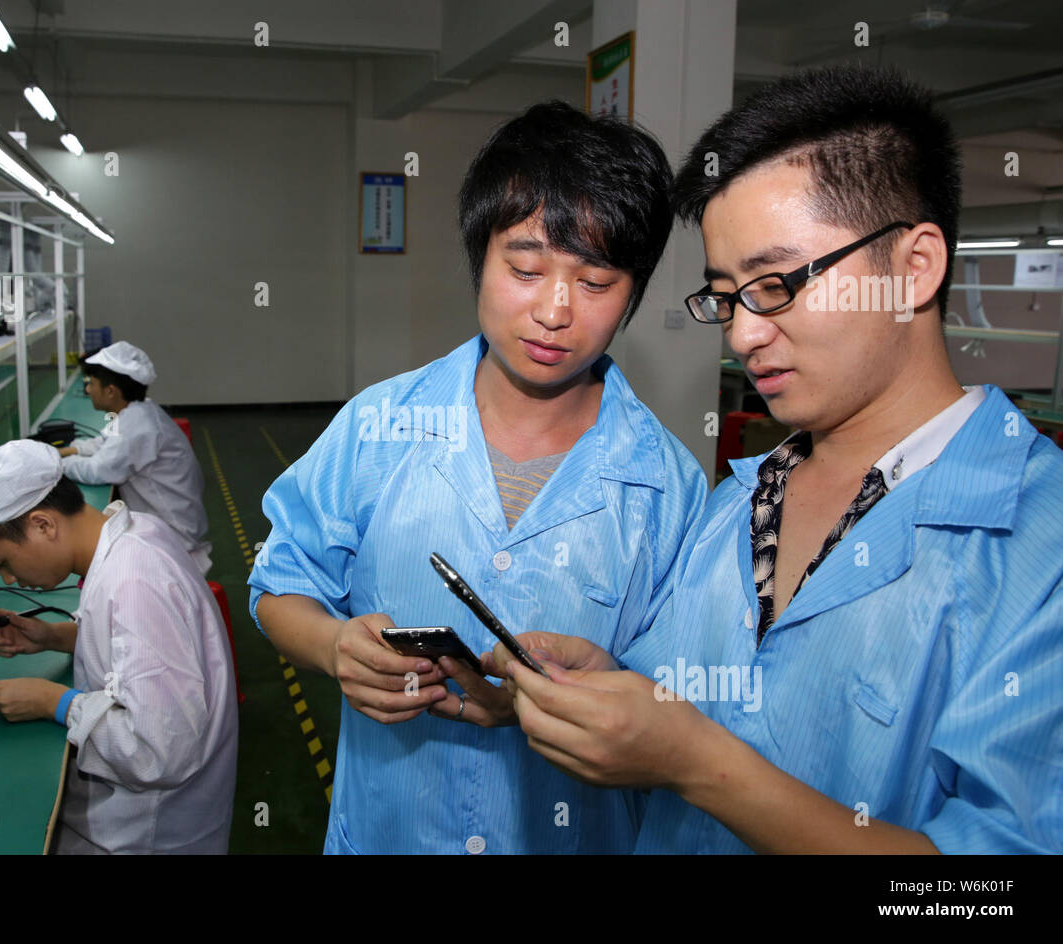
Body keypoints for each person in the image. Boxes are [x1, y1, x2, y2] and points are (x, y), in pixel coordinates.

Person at [496, 66, 1063, 853]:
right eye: (726, 296)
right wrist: (607, 682)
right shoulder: (741, 502)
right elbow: (697, 697)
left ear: (915, 266)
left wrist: (699, 767)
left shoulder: (1040, 543)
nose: (742, 334)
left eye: (775, 284)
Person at [249, 100, 708, 853]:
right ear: (480, 259)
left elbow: (684, 697)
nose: (555, 311)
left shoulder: (669, 489)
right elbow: (279, 584)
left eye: (595, 282)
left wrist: (590, 692)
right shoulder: (378, 426)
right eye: (526, 268)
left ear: (635, 289)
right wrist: (334, 648)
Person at [0, 439, 238, 854]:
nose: (7, 580)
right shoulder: (135, 532)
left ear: (43, 524)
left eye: (4, 563)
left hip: (147, 834)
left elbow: (157, 750)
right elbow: (133, 643)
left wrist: (54, 702)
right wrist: (49, 636)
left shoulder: (134, 581)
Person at [58, 341, 214, 576]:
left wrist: (54, 464)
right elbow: (102, 443)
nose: (88, 390)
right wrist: (65, 451)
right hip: (169, 527)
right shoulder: (138, 412)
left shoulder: (138, 426)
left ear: (111, 391)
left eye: (91, 383)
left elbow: (98, 470)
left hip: (173, 545)